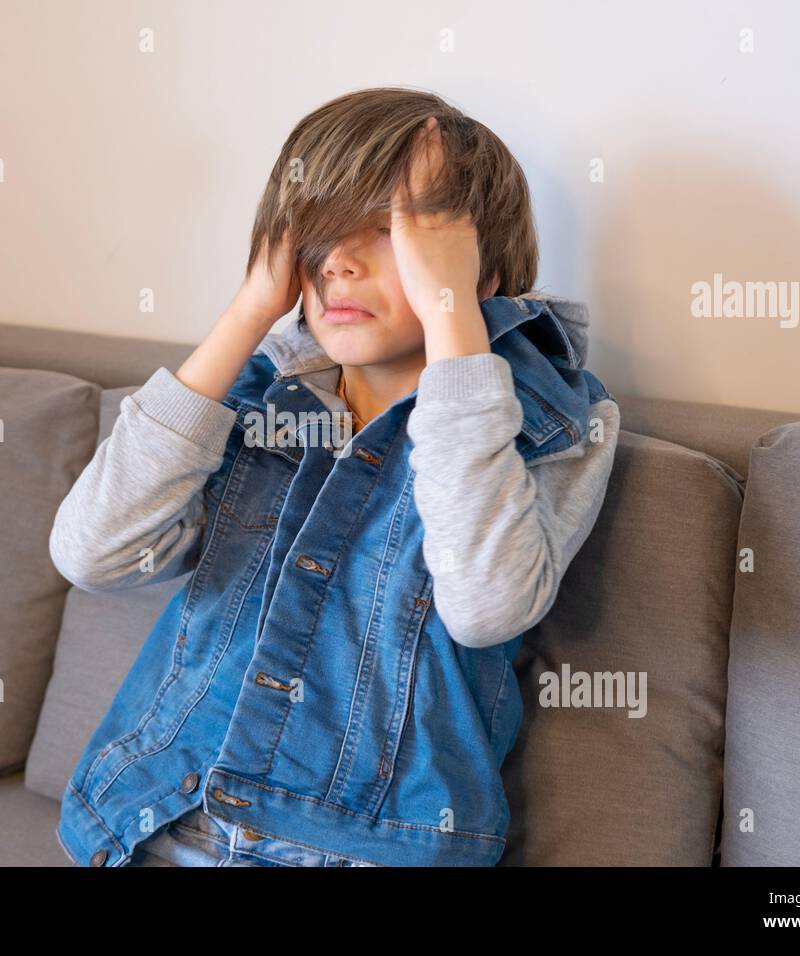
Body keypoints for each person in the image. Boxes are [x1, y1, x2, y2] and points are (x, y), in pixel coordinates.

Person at [50, 87, 619, 867]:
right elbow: (93, 554)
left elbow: (486, 607)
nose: (340, 261)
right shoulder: (257, 401)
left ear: (476, 261)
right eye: (318, 236)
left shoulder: (552, 417)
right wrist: (251, 309)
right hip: (151, 819)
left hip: (364, 849)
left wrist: (455, 314)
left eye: (387, 232)